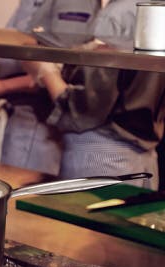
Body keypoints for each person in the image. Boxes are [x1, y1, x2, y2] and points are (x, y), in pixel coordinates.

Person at [22, 0, 165, 189]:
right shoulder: (156, 9)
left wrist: (46, 72)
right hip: (146, 158)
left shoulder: (118, 14)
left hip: (101, 157)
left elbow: (83, 108)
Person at [0, 0, 99, 175]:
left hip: (34, 123)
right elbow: (27, 49)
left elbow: (61, 68)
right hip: (13, 118)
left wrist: (1, 85)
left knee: (18, 194)